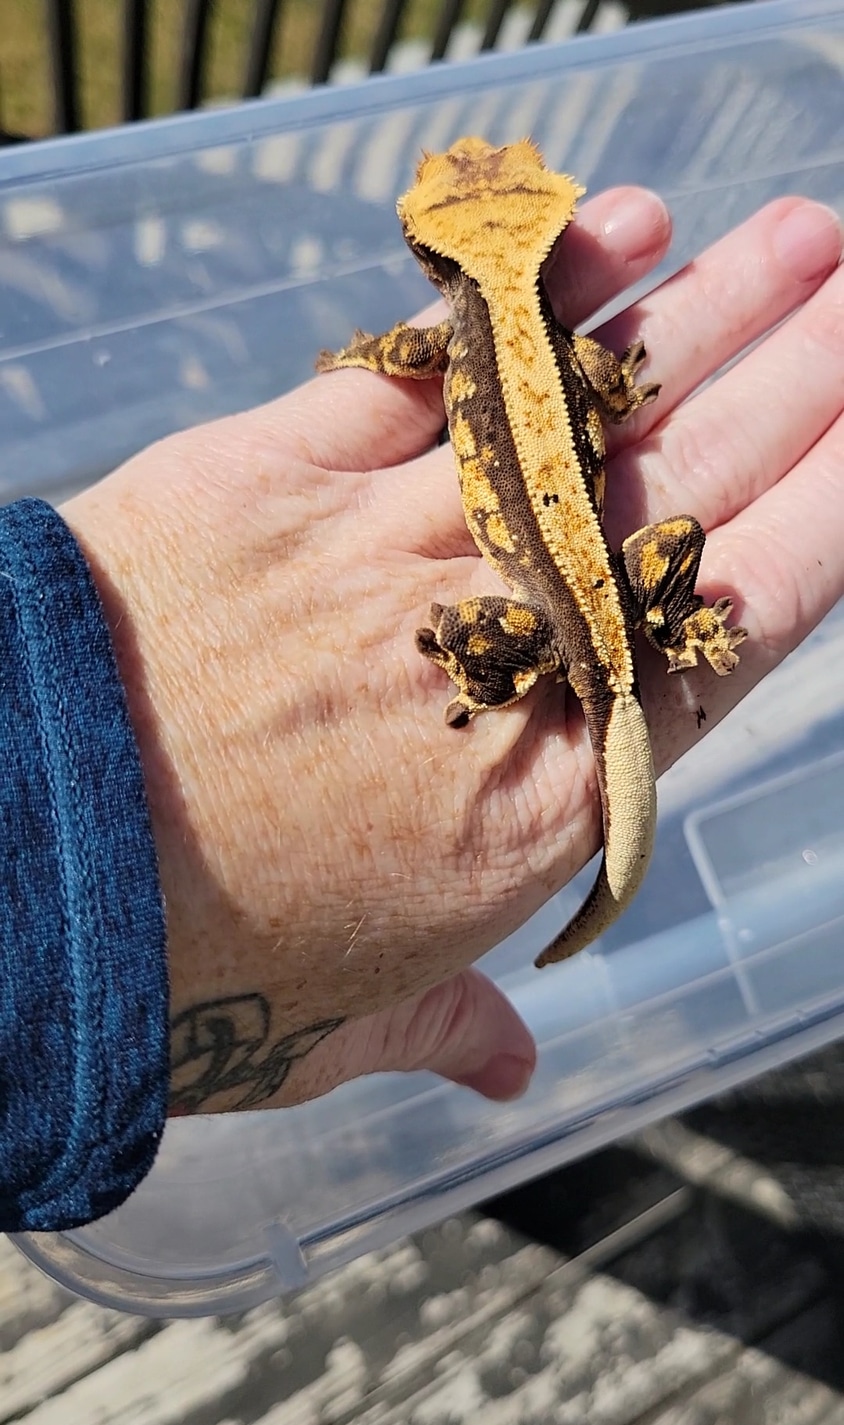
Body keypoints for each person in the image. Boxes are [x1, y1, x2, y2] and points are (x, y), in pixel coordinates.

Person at [1, 185, 842, 1233]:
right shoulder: (543, 338)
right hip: (616, 594)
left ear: (433, 259)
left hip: (551, 620)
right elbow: (595, 389)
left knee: (468, 631)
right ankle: (673, 632)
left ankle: (508, 666)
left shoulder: (444, 340)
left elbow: (414, 357)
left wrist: (369, 354)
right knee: (669, 551)